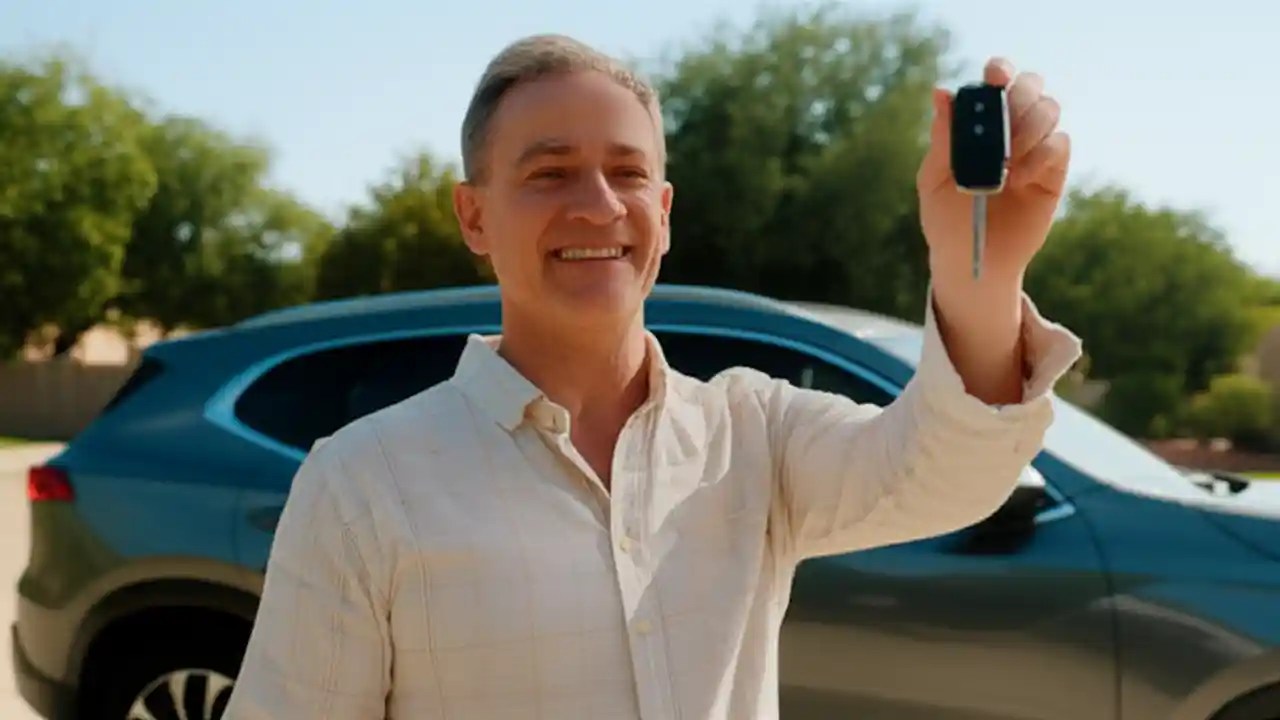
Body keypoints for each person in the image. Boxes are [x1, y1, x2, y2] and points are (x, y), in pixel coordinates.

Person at [223, 33, 1082, 720]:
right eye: (550, 173)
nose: (599, 205)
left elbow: (947, 472)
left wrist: (982, 274)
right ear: (473, 215)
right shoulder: (363, 483)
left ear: (662, 214)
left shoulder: (755, 436)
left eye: (628, 173)